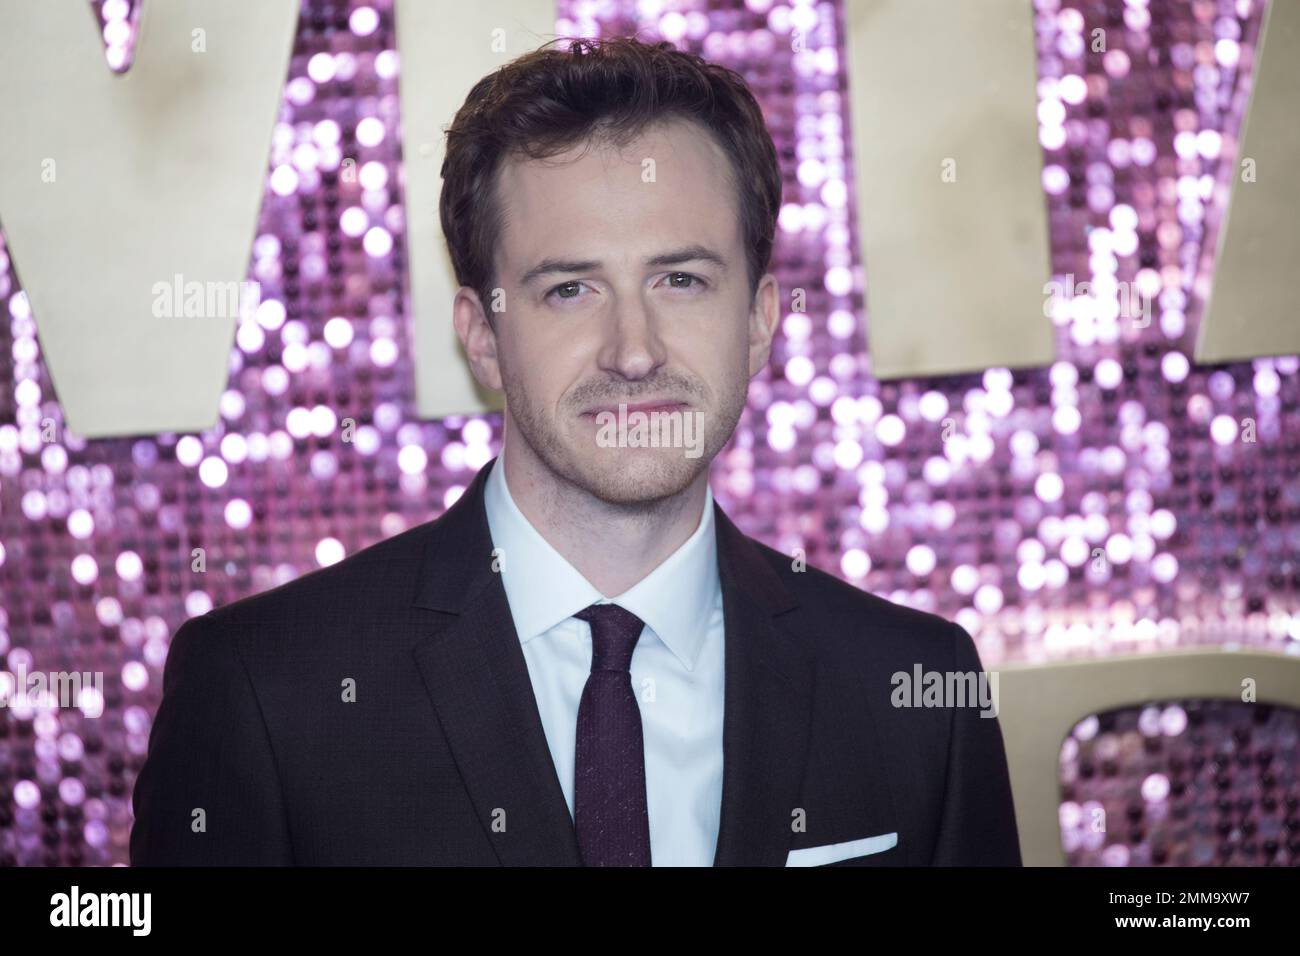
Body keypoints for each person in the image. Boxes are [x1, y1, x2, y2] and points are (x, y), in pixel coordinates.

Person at [130, 35, 1021, 866]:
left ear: (759, 319)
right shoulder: (263, 693)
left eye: (680, 279)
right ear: (482, 335)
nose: (633, 350)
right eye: (569, 289)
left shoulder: (918, 693)